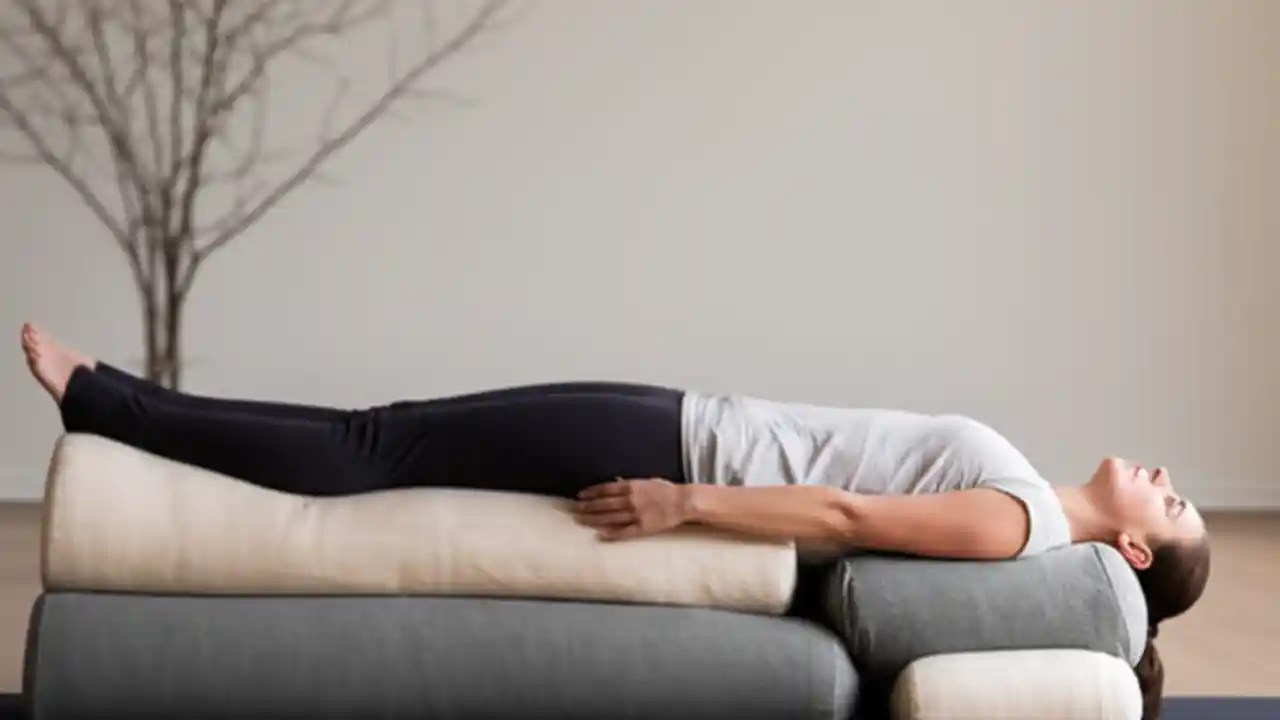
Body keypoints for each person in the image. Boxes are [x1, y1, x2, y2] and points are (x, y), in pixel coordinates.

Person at [20, 322, 1206, 718]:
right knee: (381, 439)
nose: (1161, 471)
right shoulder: (1021, 497)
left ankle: (111, 401)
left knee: (373, 443)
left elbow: (846, 513)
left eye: (1173, 497)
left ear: (1134, 549)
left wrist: (685, 499)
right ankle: (123, 406)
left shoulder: (1013, 525)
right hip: (680, 429)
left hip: (671, 450)